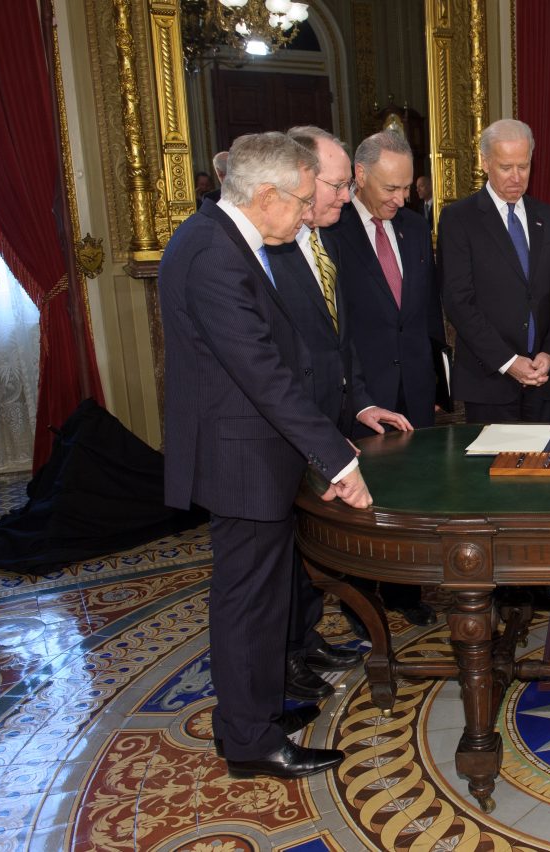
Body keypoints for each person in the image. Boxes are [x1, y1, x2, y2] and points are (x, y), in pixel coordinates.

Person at [159, 131, 372, 779]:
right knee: (247, 604)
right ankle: (250, 740)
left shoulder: (223, 241)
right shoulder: (213, 256)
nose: (309, 212)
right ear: (269, 195)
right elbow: (262, 373)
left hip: (254, 455)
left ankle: (253, 715)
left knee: (259, 598)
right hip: (241, 460)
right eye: (304, 200)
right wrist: (338, 459)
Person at [267, 125, 413, 702]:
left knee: (301, 540)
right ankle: (285, 655)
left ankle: (304, 639)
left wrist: (363, 404)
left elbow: (336, 342)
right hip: (291, 429)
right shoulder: (270, 251)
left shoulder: (319, 241)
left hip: (330, 418)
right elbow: (281, 361)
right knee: (280, 551)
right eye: (334, 185)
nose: (344, 196)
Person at [327, 128, 443, 626]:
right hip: (361, 387)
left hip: (414, 383)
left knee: (411, 492)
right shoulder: (329, 229)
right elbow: (334, 323)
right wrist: (356, 392)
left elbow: (423, 314)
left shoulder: (416, 229)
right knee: (360, 500)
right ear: (359, 175)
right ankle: (358, 595)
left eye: (406, 187)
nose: (400, 198)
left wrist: (438, 386)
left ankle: (403, 588)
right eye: (389, 188)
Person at [440, 118, 550, 425]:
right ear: (485, 162)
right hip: (489, 380)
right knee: (491, 471)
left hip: (543, 381)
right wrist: (508, 361)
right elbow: (458, 302)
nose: (517, 177)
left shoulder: (549, 217)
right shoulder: (458, 219)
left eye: (524, 166)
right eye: (506, 167)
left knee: (544, 469)